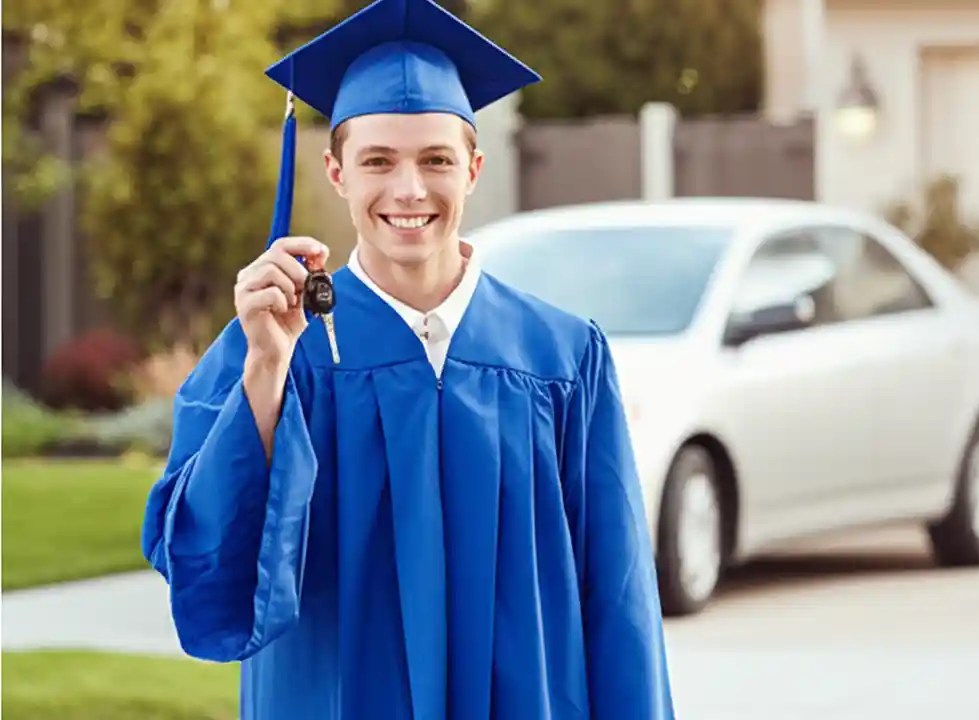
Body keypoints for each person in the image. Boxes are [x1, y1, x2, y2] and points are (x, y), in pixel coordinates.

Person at [139, 0, 677, 717]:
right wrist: (266, 373)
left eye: (436, 160)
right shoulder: (267, 344)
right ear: (336, 173)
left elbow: (618, 598)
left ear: (474, 168)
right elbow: (204, 566)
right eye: (378, 162)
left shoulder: (561, 357)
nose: (409, 190)